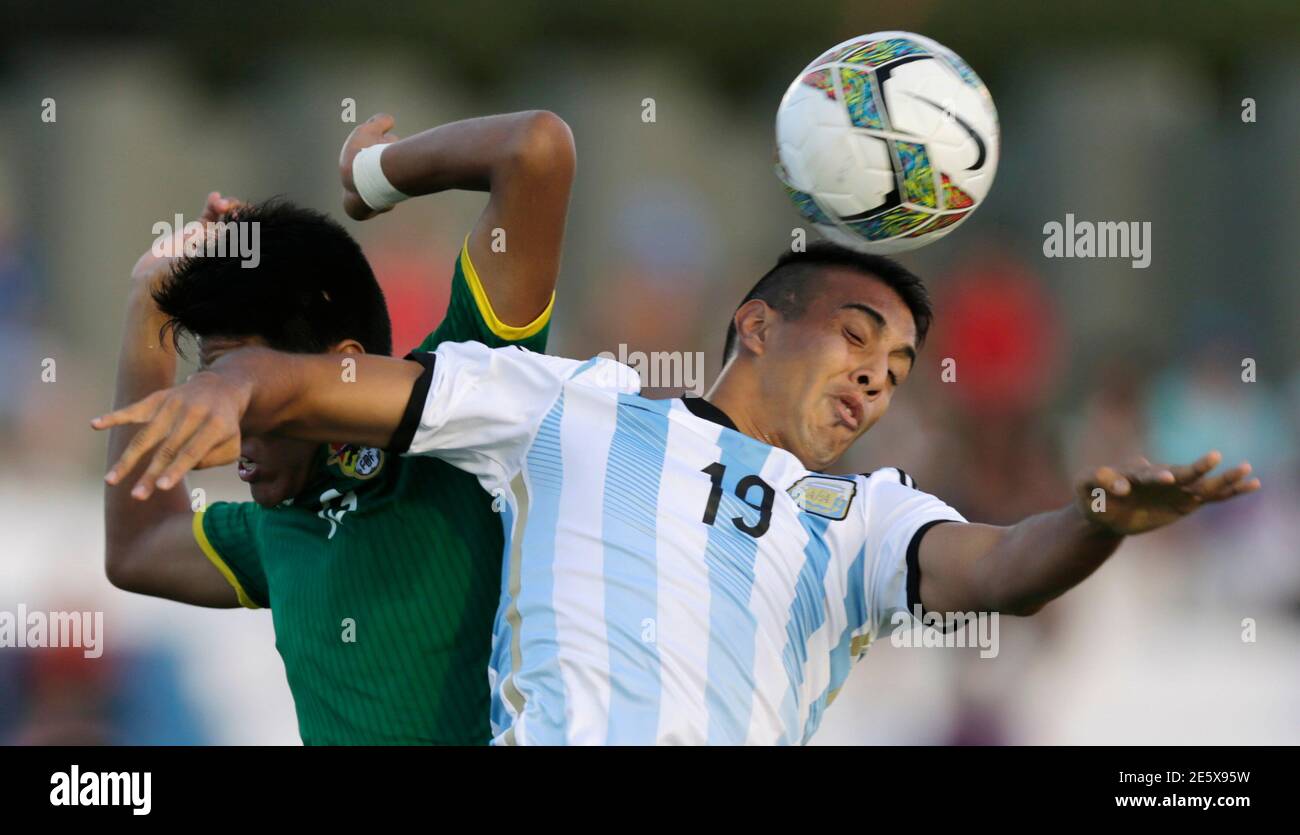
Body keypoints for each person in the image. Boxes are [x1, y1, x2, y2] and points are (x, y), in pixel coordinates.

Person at [96, 242, 1261, 745]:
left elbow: (1005, 570)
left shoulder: (865, 520)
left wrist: (1096, 524)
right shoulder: (578, 408)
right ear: (755, 321)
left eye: (898, 368)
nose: (874, 376)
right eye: (858, 336)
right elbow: (347, 385)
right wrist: (238, 374)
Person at [100, 110, 575, 744]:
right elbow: (138, 548)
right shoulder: (278, 523)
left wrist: (374, 175)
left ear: (342, 366)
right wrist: (148, 296)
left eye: (242, 391)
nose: (234, 431)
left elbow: (534, 149)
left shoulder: (472, 414)